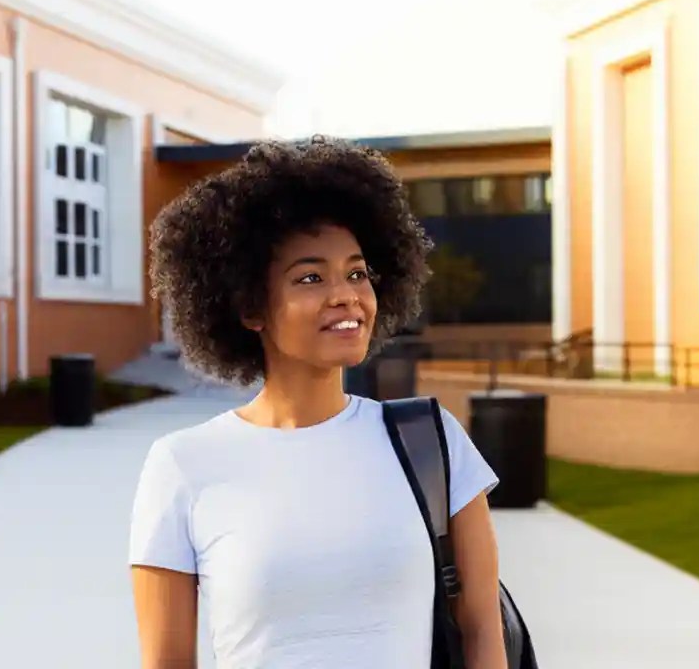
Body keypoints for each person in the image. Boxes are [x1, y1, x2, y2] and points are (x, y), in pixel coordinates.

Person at [130, 135, 507, 668]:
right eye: (310, 277)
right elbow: (166, 662)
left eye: (357, 273)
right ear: (249, 308)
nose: (345, 295)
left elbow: (481, 630)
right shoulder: (182, 465)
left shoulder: (432, 442)